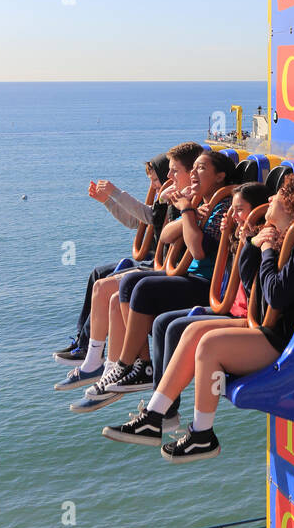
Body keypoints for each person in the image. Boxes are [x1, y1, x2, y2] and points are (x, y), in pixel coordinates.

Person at [101, 171, 294, 459]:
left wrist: (265, 250)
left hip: (282, 340)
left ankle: (202, 434)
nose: (269, 199)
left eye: (276, 197)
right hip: (263, 326)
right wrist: (254, 245)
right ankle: (153, 417)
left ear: (291, 207)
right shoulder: (282, 238)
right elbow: (252, 281)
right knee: (192, 332)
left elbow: (277, 295)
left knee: (209, 346)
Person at [79, 148, 237, 402]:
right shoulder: (199, 202)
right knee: (124, 283)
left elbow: (196, 249)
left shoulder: (220, 206)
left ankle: (126, 364)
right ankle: (122, 363)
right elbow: (163, 235)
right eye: (193, 168)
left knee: (137, 287)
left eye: (201, 169)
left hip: (205, 285)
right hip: (188, 275)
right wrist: (187, 211)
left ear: (219, 177)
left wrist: (186, 210)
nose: (194, 174)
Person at [52, 145, 201, 364]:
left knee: (113, 285)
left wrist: (116, 193)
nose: (155, 185)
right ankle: (84, 342)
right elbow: (135, 221)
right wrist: (108, 202)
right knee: (98, 274)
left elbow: (149, 217)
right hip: (158, 262)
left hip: (162, 265)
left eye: (156, 179)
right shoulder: (170, 197)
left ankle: (104, 355)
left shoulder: (178, 200)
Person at [146, 181, 268, 421]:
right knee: (163, 324)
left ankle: (166, 412)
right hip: (229, 305)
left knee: (179, 327)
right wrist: (232, 236)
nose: (232, 216)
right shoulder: (238, 234)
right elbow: (165, 236)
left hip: (244, 315)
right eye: (231, 210)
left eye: (239, 210)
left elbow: (247, 280)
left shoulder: (263, 242)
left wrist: (247, 243)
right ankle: (161, 407)